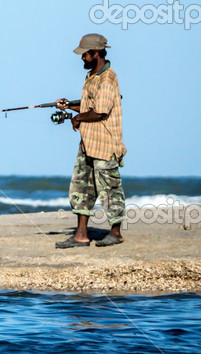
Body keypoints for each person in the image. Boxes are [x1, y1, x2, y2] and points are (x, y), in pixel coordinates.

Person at [55, 33, 127, 249]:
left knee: (110, 190)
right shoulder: (92, 76)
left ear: (96, 54)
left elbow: (100, 112)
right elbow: (89, 106)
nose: (82, 59)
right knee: (81, 189)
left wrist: (77, 118)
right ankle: (81, 236)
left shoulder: (107, 78)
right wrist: (69, 106)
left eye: (85, 54)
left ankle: (115, 233)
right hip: (88, 144)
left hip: (105, 146)